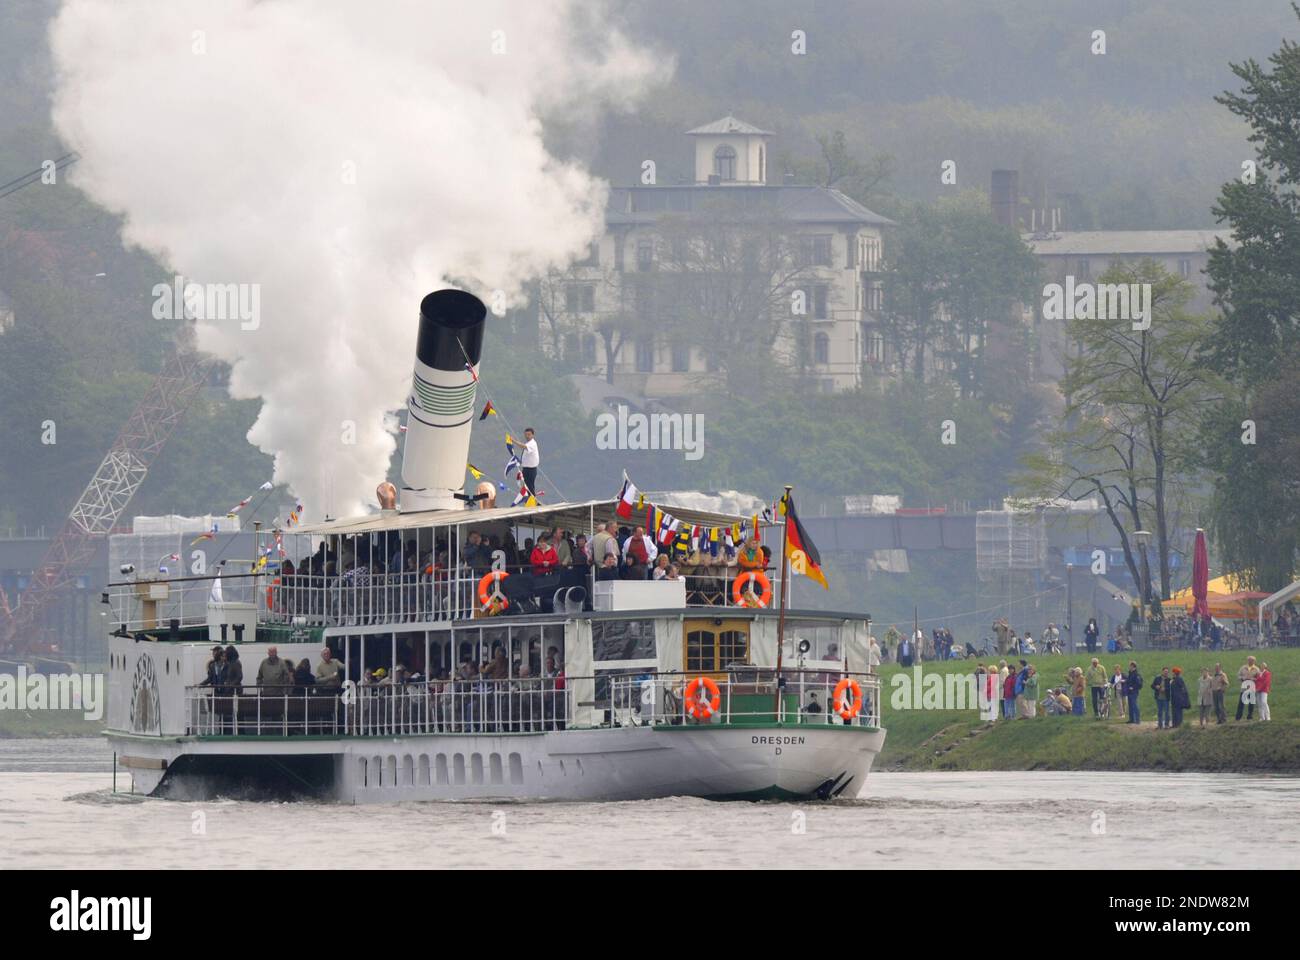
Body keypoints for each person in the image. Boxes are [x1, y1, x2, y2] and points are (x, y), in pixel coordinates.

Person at [1236, 656, 1260, 721]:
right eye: (1249, 660)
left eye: (1252, 660)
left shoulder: (1256, 669)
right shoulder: (1243, 668)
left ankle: (1250, 716)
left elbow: (1259, 679)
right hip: (1244, 687)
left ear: (1254, 661)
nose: (1250, 661)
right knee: (1241, 702)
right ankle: (1238, 717)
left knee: (1251, 702)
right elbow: (1238, 676)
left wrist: (1252, 679)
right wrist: (1243, 678)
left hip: (1252, 687)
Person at [519, 427, 540, 497]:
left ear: (532, 435)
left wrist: (514, 441)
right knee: (528, 486)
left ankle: (534, 502)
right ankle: (531, 500)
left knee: (529, 486)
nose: (527, 436)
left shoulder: (532, 443)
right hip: (526, 469)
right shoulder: (528, 443)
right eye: (526, 435)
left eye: (529, 435)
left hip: (531, 469)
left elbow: (524, 447)